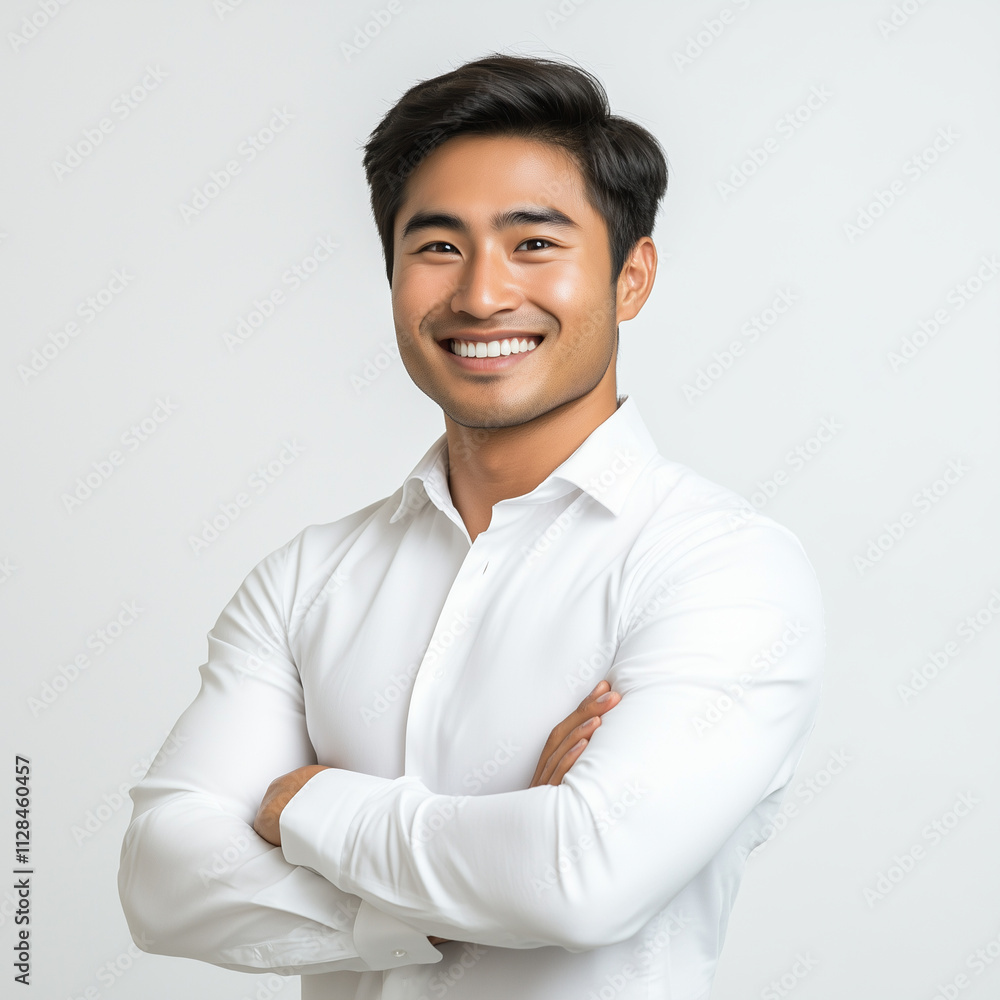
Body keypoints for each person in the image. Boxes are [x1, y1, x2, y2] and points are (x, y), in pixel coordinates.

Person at [118, 52, 824, 1000]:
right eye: (438, 246)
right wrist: (480, 863)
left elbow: (581, 878)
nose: (482, 296)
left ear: (631, 276)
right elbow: (163, 877)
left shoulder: (722, 568)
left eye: (535, 244)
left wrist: (308, 806)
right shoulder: (310, 576)